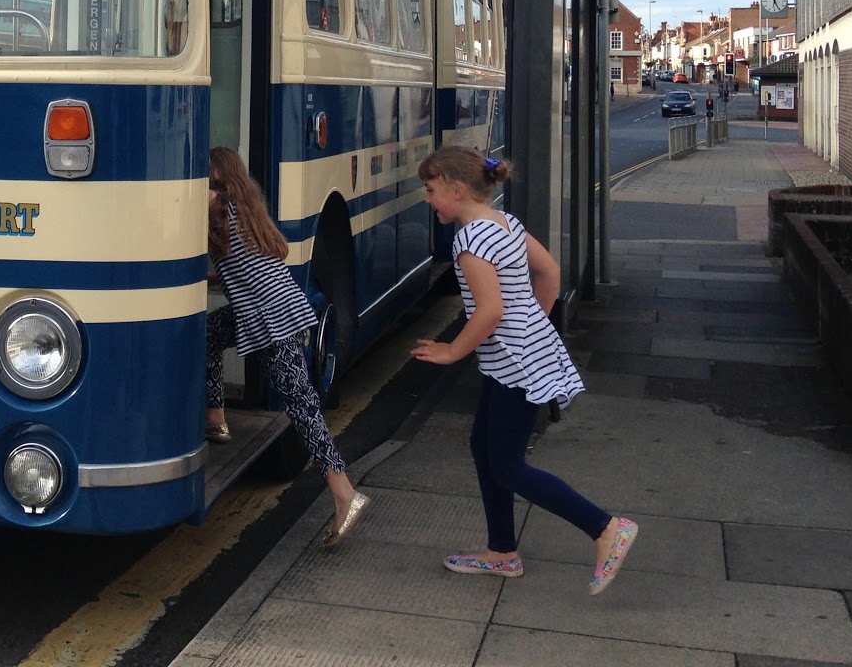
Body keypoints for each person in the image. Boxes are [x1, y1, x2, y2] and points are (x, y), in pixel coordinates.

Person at [412, 146, 637, 595]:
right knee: (484, 448)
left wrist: (452, 352)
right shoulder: (505, 223)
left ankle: (606, 528)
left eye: (431, 190)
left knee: (508, 466)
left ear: (457, 190)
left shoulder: (470, 240)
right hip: (521, 356)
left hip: (514, 364)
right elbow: (550, 271)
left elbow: (489, 311)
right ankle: (501, 553)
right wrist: (532, 322)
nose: (428, 199)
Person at [205, 146, 370, 547]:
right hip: (278, 309)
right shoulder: (247, 210)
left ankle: (344, 491)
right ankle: (216, 418)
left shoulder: (217, 211)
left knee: (302, 406)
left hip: (271, 321)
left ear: (216, 181)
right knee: (208, 334)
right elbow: (258, 261)